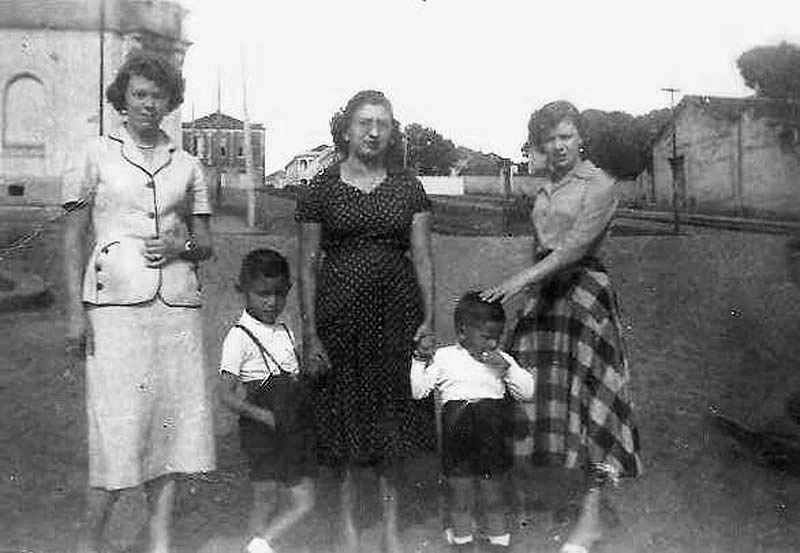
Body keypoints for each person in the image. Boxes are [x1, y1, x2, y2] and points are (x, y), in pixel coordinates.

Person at [62, 51, 215, 553]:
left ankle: (160, 544)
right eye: (140, 94)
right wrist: (73, 312)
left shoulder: (187, 164)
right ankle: (88, 545)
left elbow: (205, 244)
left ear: (171, 101)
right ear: (122, 100)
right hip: (113, 311)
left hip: (175, 313)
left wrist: (179, 246)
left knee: (169, 433)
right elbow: (73, 237)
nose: (149, 104)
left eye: (158, 95)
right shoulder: (93, 154)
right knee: (117, 432)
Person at [481, 100, 642, 553]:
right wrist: (525, 295)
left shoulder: (601, 184)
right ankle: (521, 499)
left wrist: (519, 281)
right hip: (545, 300)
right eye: (549, 139)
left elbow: (573, 249)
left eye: (566, 136)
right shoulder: (545, 188)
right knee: (531, 393)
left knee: (593, 404)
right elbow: (539, 248)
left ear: (581, 138)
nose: (558, 146)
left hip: (584, 298)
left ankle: (590, 520)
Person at [295, 89, 437, 553]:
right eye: (364, 123)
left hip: (396, 317)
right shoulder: (320, 189)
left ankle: (392, 529)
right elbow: (307, 266)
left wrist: (429, 319)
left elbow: (423, 257)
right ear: (346, 130)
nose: (374, 132)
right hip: (339, 320)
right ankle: (348, 528)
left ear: (392, 132)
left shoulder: (408, 188)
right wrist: (311, 333)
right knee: (345, 422)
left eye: (383, 124)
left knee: (391, 423)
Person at [410, 292, 535, 552]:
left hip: (491, 439)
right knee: (461, 498)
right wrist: (419, 359)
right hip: (457, 438)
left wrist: (507, 368)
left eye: (497, 336)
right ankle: (463, 544)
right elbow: (419, 391)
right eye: (487, 336)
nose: (493, 343)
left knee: (494, 498)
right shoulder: (444, 358)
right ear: (463, 332)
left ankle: (498, 546)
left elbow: (527, 392)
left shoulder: (501, 359)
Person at [218, 249, 316, 553]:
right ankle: (256, 545)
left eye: (279, 293)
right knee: (265, 498)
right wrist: (264, 417)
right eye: (262, 294)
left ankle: (259, 545)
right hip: (262, 429)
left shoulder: (285, 330)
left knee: (304, 501)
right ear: (243, 290)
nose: (271, 302)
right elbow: (225, 395)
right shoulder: (239, 337)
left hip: (291, 426)